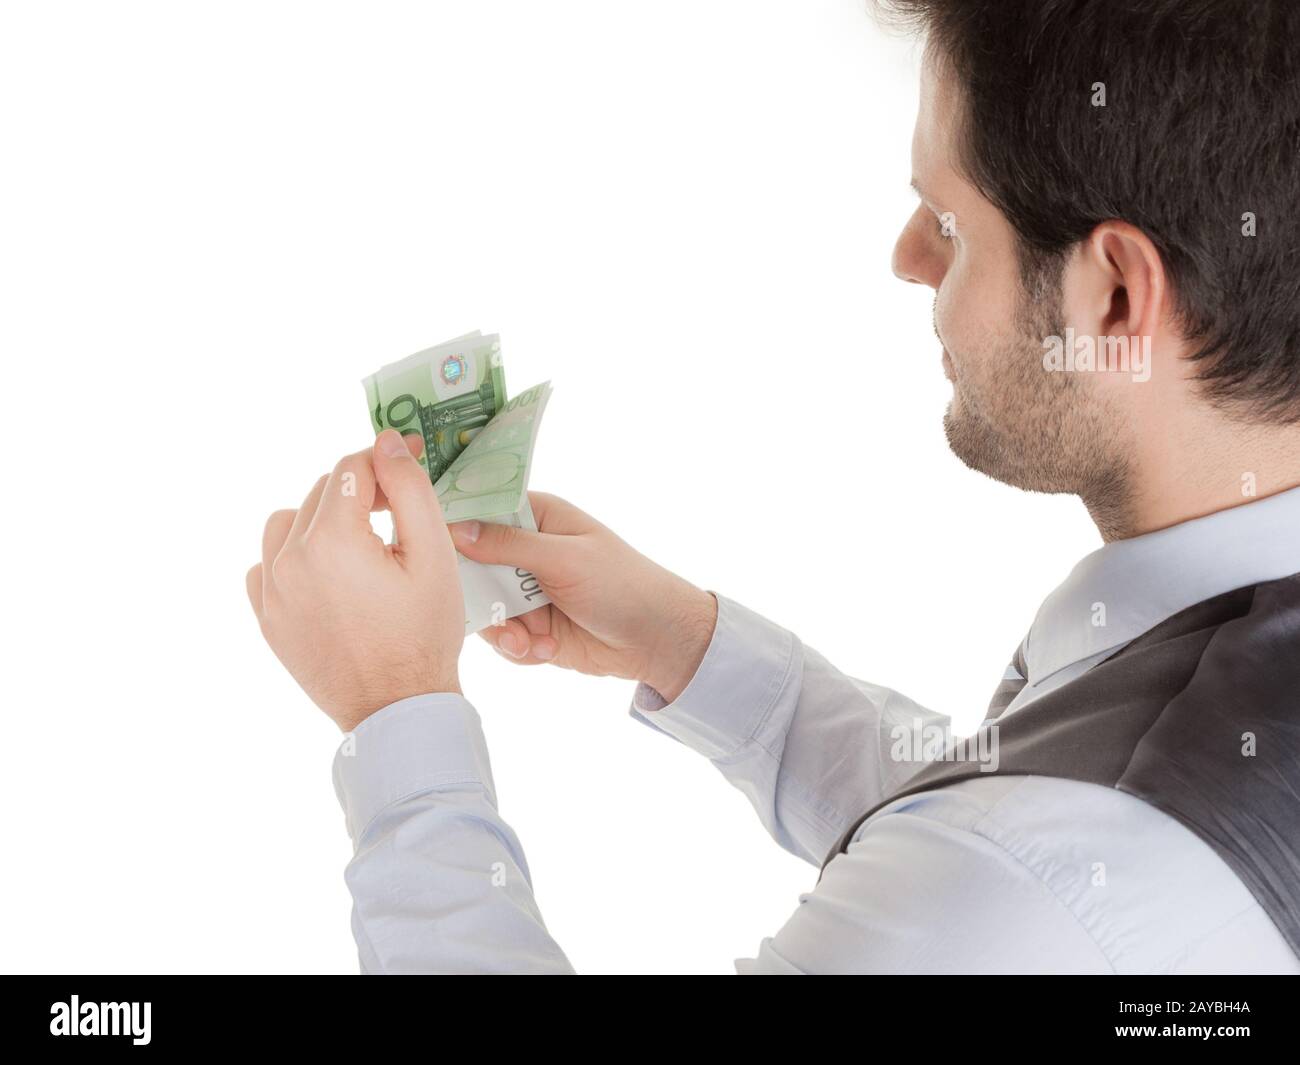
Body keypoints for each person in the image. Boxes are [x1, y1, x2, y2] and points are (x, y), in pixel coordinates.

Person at [246, 0, 1300, 973]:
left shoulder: (1029, 890)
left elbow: (1020, 880)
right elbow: (1032, 835)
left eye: (948, 221)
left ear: (1114, 295)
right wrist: (688, 646)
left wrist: (398, 716)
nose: (906, 258)